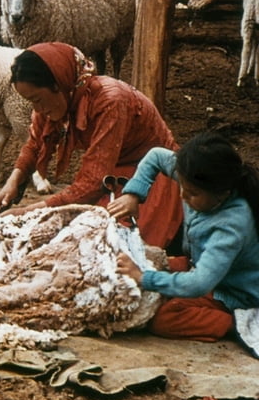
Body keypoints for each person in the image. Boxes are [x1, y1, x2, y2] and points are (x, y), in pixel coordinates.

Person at [0, 41, 182, 249]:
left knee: (117, 247)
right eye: (32, 102)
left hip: (151, 175)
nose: (38, 109)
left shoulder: (110, 102)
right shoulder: (60, 98)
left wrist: (32, 212)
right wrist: (14, 179)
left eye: (38, 99)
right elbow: (36, 143)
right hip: (115, 171)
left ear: (59, 85)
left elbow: (93, 182)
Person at [109, 132, 259, 343]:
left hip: (232, 289)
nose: (182, 196)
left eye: (192, 193)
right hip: (199, 263)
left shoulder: (231, 225)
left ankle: (234, 323)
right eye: (183, 187)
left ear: (222, 193)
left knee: (164, 318)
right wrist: (133, 194)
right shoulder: (193, 175)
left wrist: (144, 277)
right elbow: (156, 155)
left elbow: (199, 284)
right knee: (154, 262)